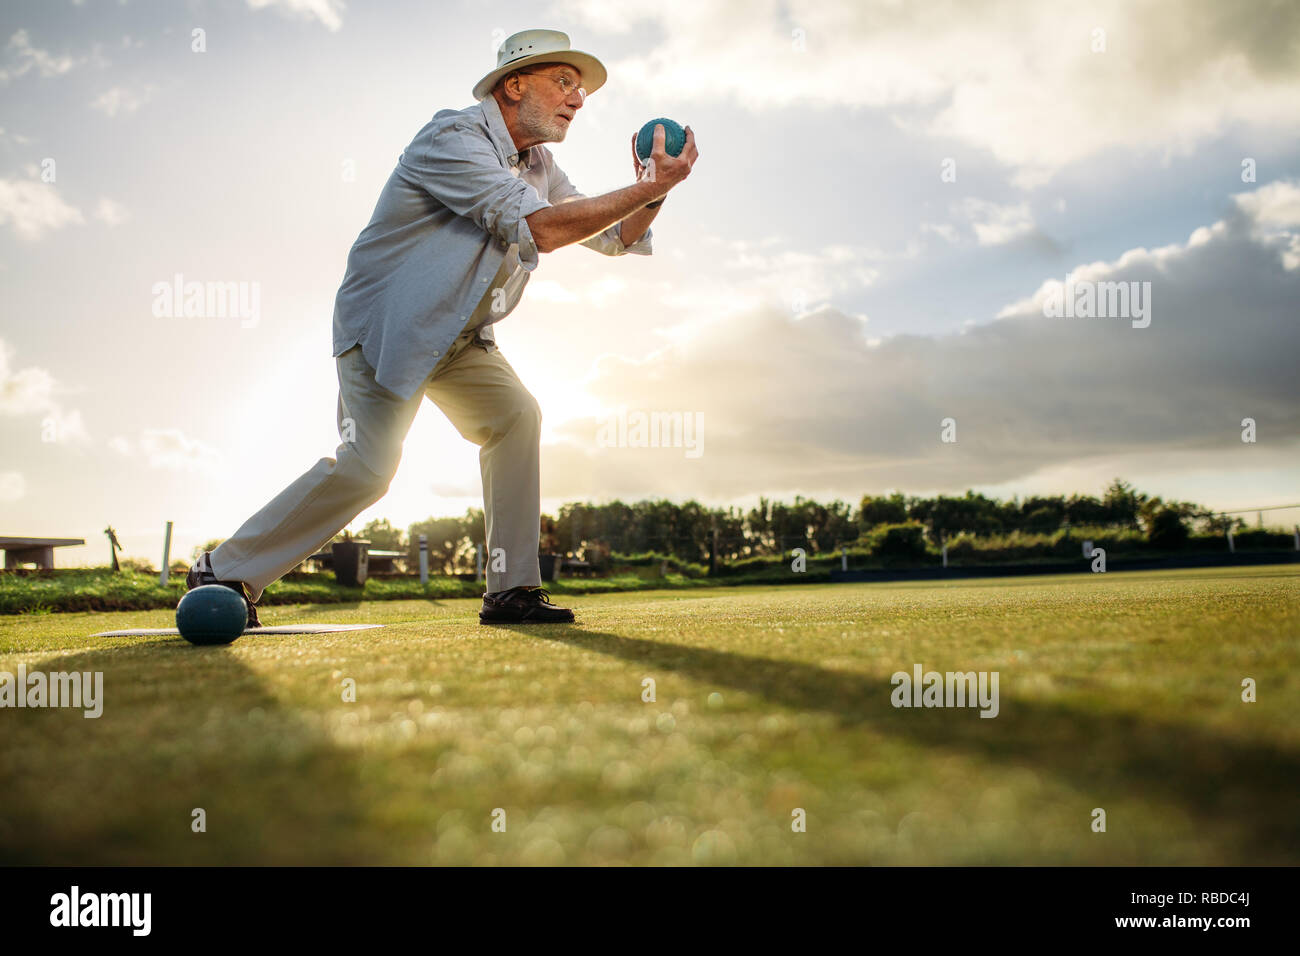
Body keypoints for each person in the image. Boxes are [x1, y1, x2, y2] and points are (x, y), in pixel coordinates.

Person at [186, 28, 699, 626]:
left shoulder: (540, 163)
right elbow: (544, 229)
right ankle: (222, 570)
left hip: (461, 339)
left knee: (516, 416)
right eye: (563, 82)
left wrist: (653, 191)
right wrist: (646, 187)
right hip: (388, 327)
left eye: (580, 90)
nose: (578, 100)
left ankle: (511, 591)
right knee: (368, 470)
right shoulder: (451, 137)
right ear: (514, 85)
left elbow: (614, 237)